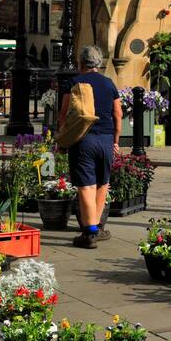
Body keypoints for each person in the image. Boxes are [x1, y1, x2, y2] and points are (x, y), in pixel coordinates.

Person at [58, 45, 122, 249]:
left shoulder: (74, 82)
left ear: (81, 63)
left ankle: (90, 233)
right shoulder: (109, 84)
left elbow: (64, 114)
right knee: (102, 183)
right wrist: (115, 141)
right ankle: (97, 227)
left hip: (83, 139)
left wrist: (62, 139)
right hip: (105, 139)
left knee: (86, 185)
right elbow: (118, 114)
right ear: (99, 63)